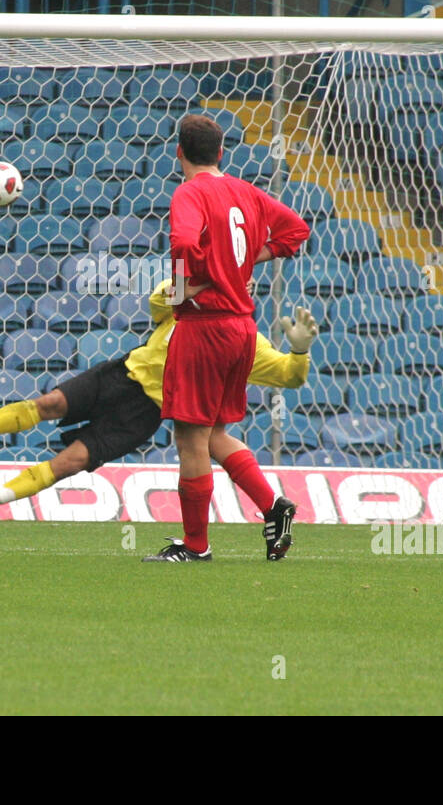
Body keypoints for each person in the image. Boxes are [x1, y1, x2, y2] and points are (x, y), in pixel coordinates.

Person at [0, 278, 320, 520]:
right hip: (121, 376)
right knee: (50, 404)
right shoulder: (185, 303)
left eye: (248, 285)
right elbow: (157, 302)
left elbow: (289, 375)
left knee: (69, 462)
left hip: (144, 415)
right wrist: (189, 284)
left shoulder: (247, 341)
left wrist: (300, 350)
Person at [144, 113, 310, 563]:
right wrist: (247, 261)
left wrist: (191, 284)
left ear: (179, 152)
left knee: (189, 441)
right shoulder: (247, 192)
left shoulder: (190, 192)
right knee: (215, 432)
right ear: (222, 153)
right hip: (242, 328)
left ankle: (196, 546)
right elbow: (297, 230)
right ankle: (274, 508)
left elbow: (181, 243)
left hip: (204, 327)